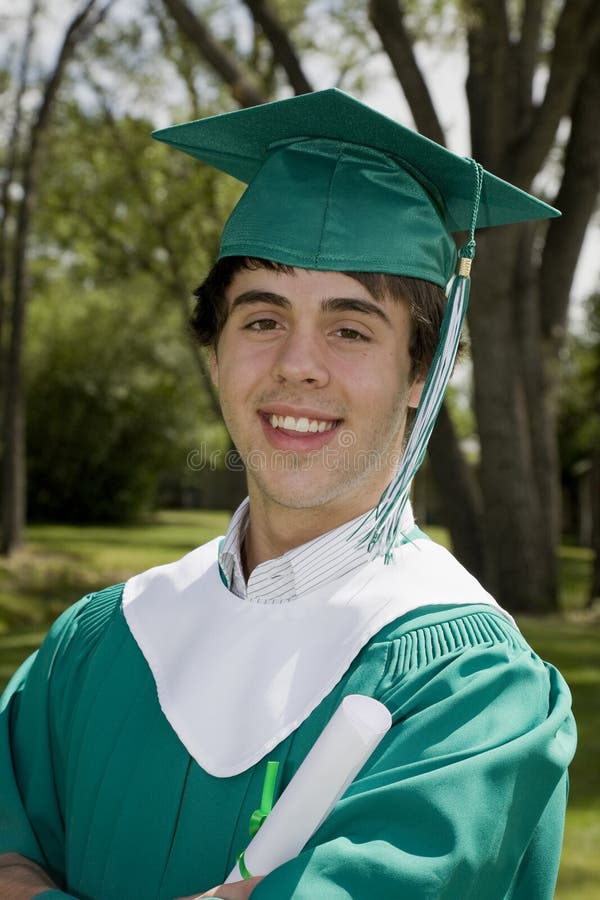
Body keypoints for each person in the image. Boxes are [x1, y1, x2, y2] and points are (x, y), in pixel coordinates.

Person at [0, 89, 576, 900]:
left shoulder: (471, 691)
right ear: (214, 355)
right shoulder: (97, 642)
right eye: (262, 320)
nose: (298, 365)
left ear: (422, 371)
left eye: (350, 329)